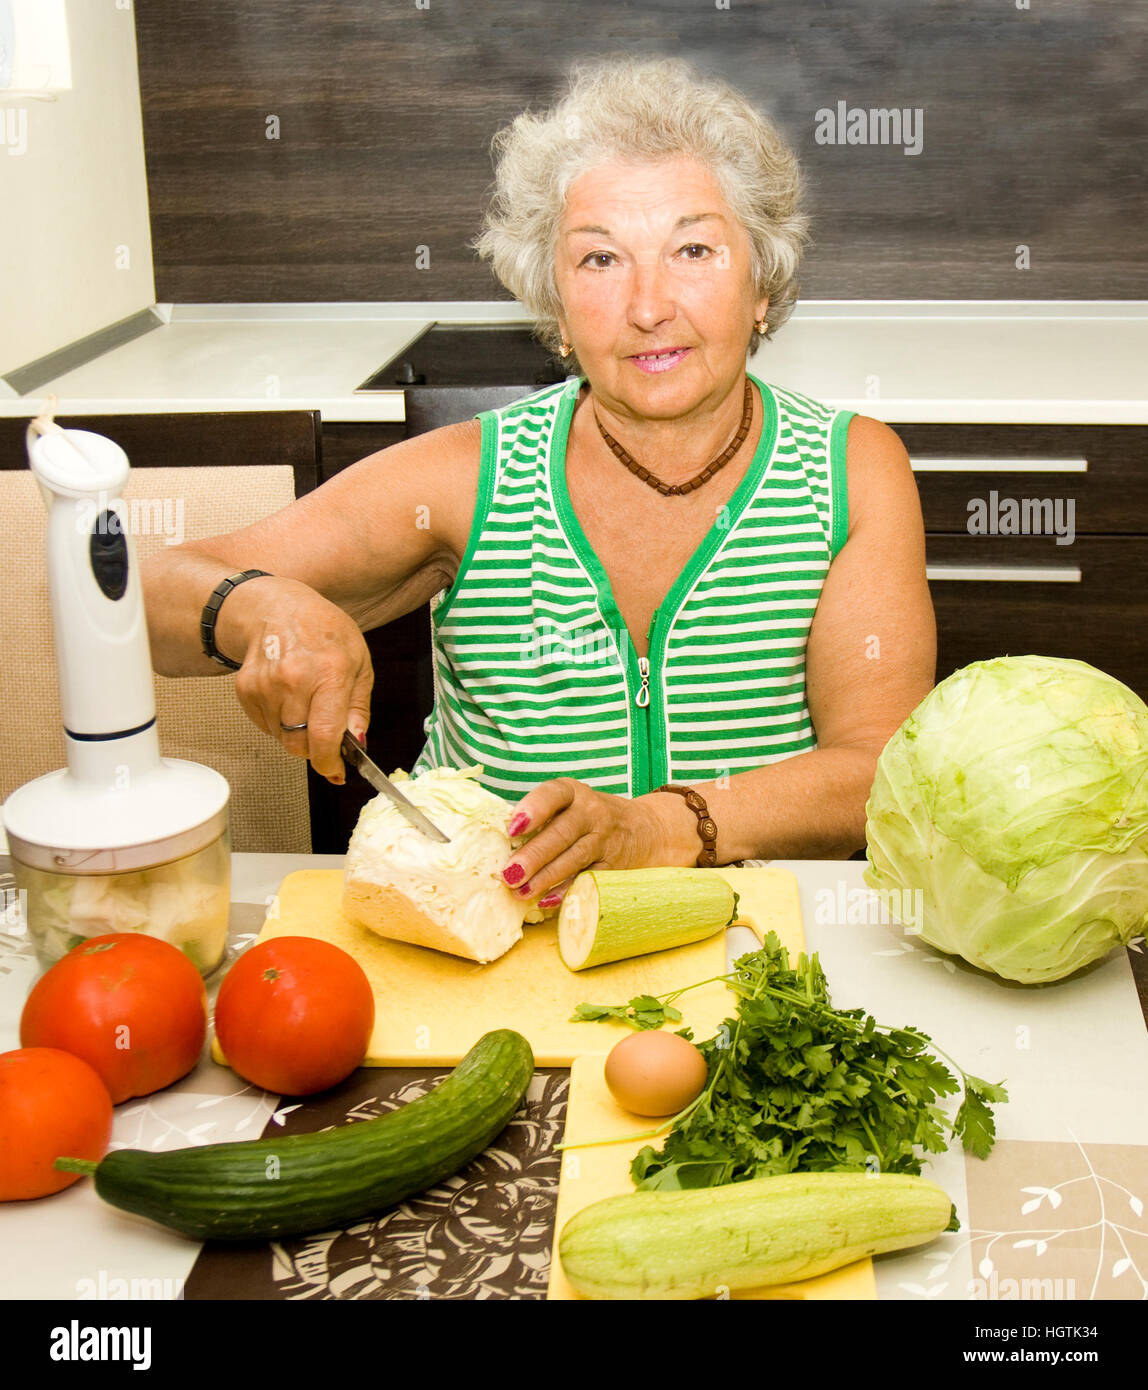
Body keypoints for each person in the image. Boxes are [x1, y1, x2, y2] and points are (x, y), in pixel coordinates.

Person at [141, 54, 935, 910]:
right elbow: (145, 598)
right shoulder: (466, 477)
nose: (648, 305)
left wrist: (658, 829)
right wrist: (258, 607)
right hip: (501, 948)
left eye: (693, 249)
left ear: (762, 287)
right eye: (600, 261)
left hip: (761, 948)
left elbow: (874, 772)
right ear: (554, 307)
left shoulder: (850, 469)